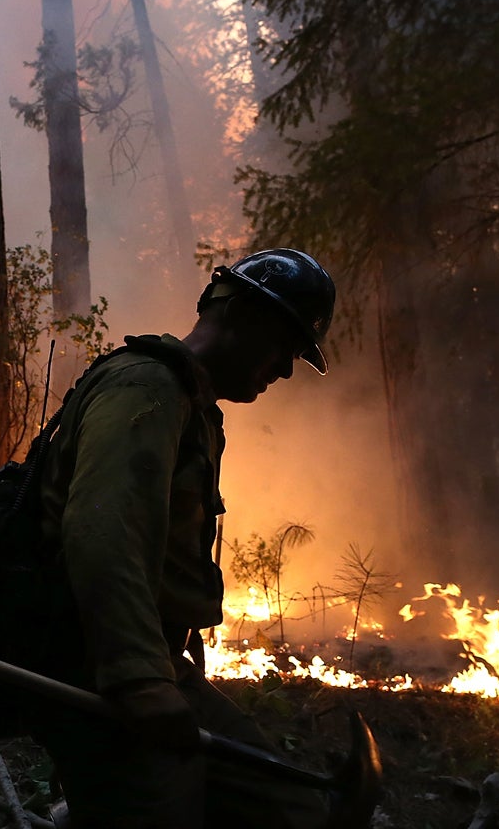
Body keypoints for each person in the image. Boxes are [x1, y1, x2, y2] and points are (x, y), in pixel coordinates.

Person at [32, 248, 342, 829]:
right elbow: (103, 534)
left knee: (289, 807)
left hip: (154, 663)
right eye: (285, 345)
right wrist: (139, 680)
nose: (286, 370)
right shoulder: (145, 389)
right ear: (241, 315)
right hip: (98, 670)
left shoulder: (189, 405)